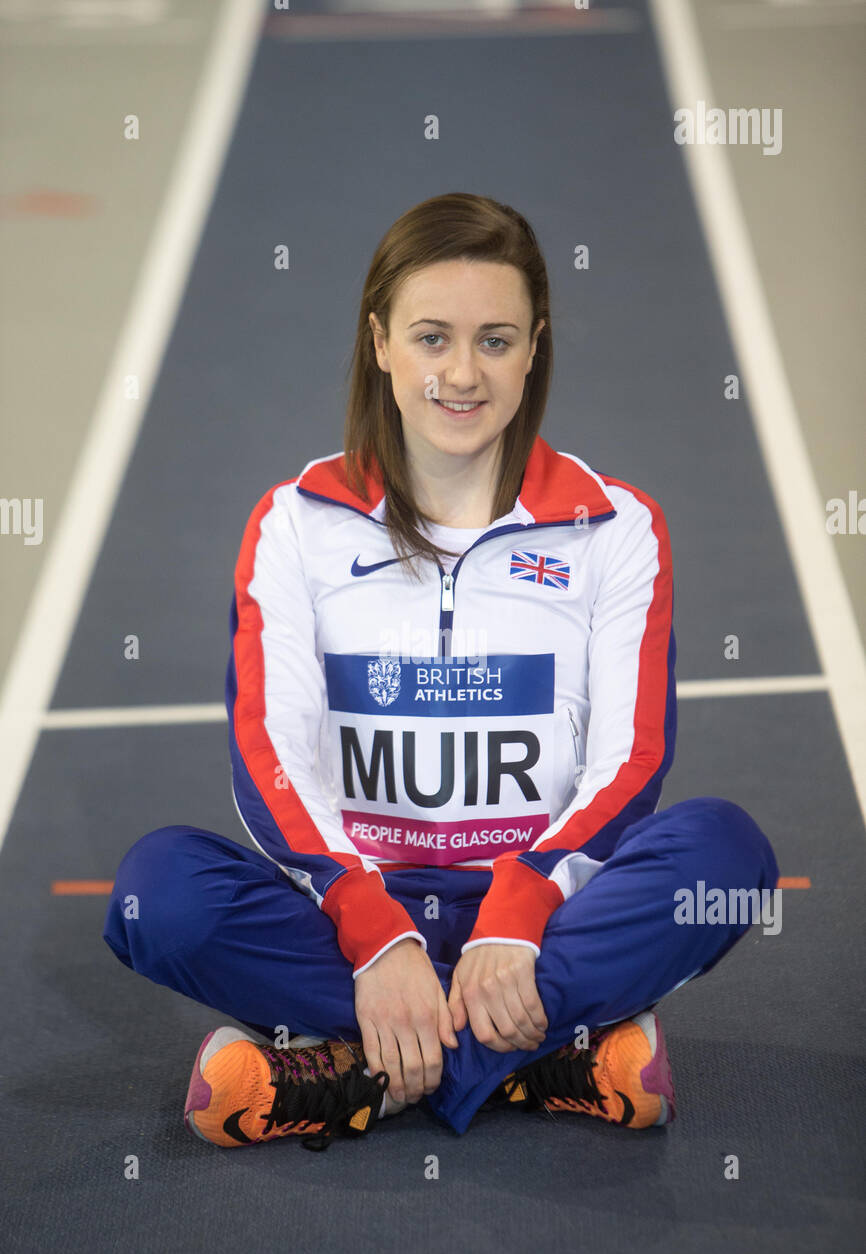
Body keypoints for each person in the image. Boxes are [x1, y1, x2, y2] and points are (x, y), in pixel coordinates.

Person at [103, 192, 778, 1152]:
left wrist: (526, 899)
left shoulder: (616, 527)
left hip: (544, 913)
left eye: (496, 340)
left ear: (535, 347)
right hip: (352, 917)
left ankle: (354, 1074)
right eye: (432, 337)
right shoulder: (294, 523)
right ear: (380, 342)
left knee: (728, 857)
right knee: (159, 891)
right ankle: (542, 1056)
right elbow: (268, 752)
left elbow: (632, 761)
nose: (463, 374)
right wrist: (371, 926)